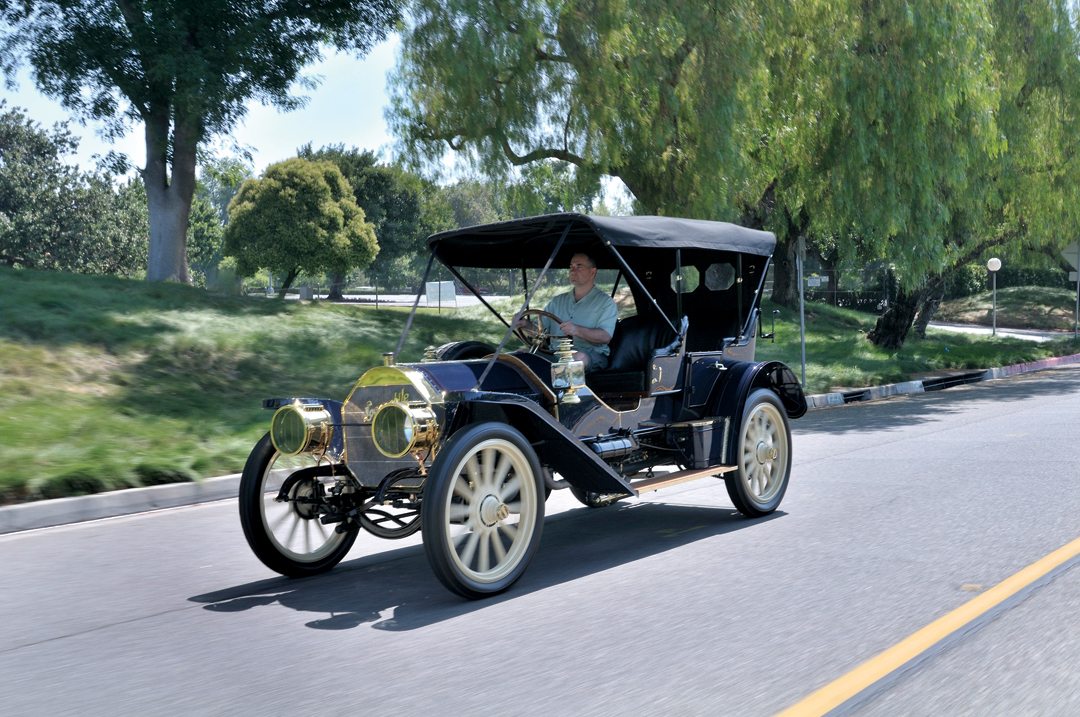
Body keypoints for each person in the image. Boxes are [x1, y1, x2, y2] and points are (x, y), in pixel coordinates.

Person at [519, 252, 618, 371]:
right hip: (555, 354)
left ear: (592, 272)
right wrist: (524, 325)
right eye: (571, 267)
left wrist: (577, 330)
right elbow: (541, 333)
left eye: (579, 266)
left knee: (576, 359)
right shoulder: (557, 301)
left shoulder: (605, 303)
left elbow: (605, 337)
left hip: (590, 355)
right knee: (521, 356)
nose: (572, 271)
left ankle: (560, 387)